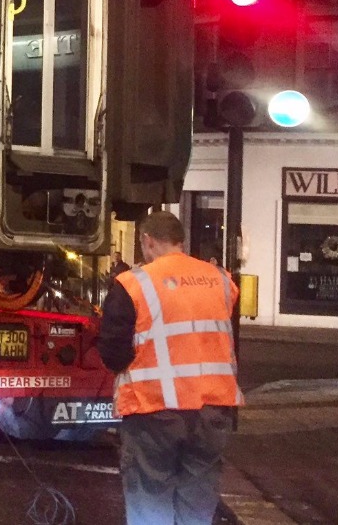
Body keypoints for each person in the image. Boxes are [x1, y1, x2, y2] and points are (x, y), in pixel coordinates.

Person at [98, 210, 243, 524]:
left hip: (155, 411)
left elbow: (113, 353)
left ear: (148, 241)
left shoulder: (133, 284)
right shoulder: (219, 280)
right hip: (213, 411)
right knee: (198, 499)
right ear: (180, 241)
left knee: (150, 495)